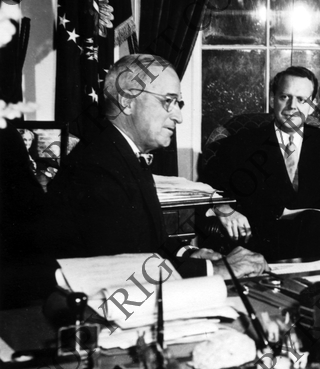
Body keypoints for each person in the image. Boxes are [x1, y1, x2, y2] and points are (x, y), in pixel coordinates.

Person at [44, 54, 265, 278]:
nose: (178, 117)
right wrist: (218, 269)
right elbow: (125, 270)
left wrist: (187, 252)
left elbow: (146, 241)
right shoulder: (95, 169)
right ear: (127, 101)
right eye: (167, 101)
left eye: (178, 103)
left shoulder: (124, 154)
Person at [201, 66, 320, 260]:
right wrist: (224, 209)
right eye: (285, 97)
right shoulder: (240, 143)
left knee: (314, 224)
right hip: (261, 243)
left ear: (312, 105)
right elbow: (207, 188)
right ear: (272, 99)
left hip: (317, 241)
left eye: (301, 99)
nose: (292, 106)